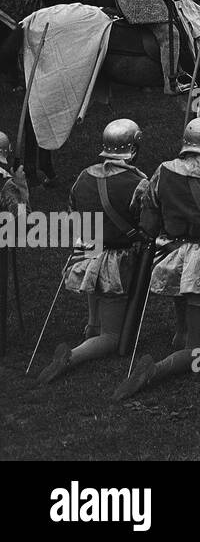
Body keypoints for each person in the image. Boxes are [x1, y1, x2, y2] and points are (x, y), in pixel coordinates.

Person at [113, 117, 200, 400]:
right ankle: (159, 370)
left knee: (184, 305)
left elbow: (147, 219)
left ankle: (182, 337)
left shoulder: (163, 171)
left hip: (172, 255)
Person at [37, 120, 144, 384]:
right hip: (115, 262)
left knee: (96, 320)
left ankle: (91, 326)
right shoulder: (138, 181)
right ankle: (72, 356)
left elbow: (75, 214)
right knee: (112, 338)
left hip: (88, 252)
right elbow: (147, 222)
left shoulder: (84, 176)